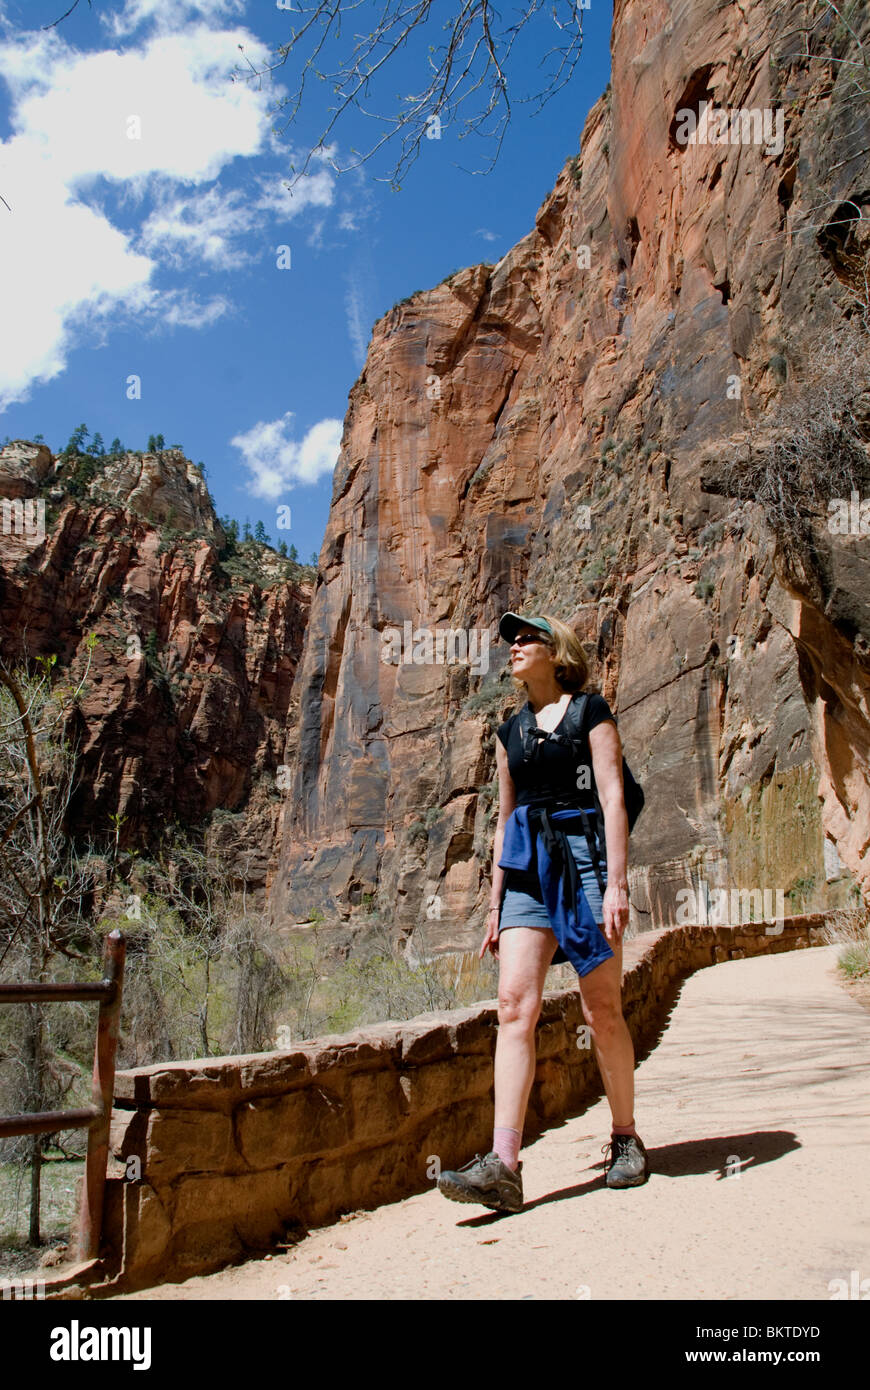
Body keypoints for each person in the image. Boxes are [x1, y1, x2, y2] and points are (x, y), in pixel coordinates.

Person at [437, 611, 649, 1213]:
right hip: (529, 873)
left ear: (556, 652)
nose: (515, 647)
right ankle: (504, 1165)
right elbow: (506, 820)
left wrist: (615, 884)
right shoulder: (510, 734)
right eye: (511, 641)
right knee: (513, 1007)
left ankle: (626, 1139)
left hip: (585, 861)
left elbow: (612, 796)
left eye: (527, 638)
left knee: (601, 1008)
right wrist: (495, 901)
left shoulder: (590, 713)